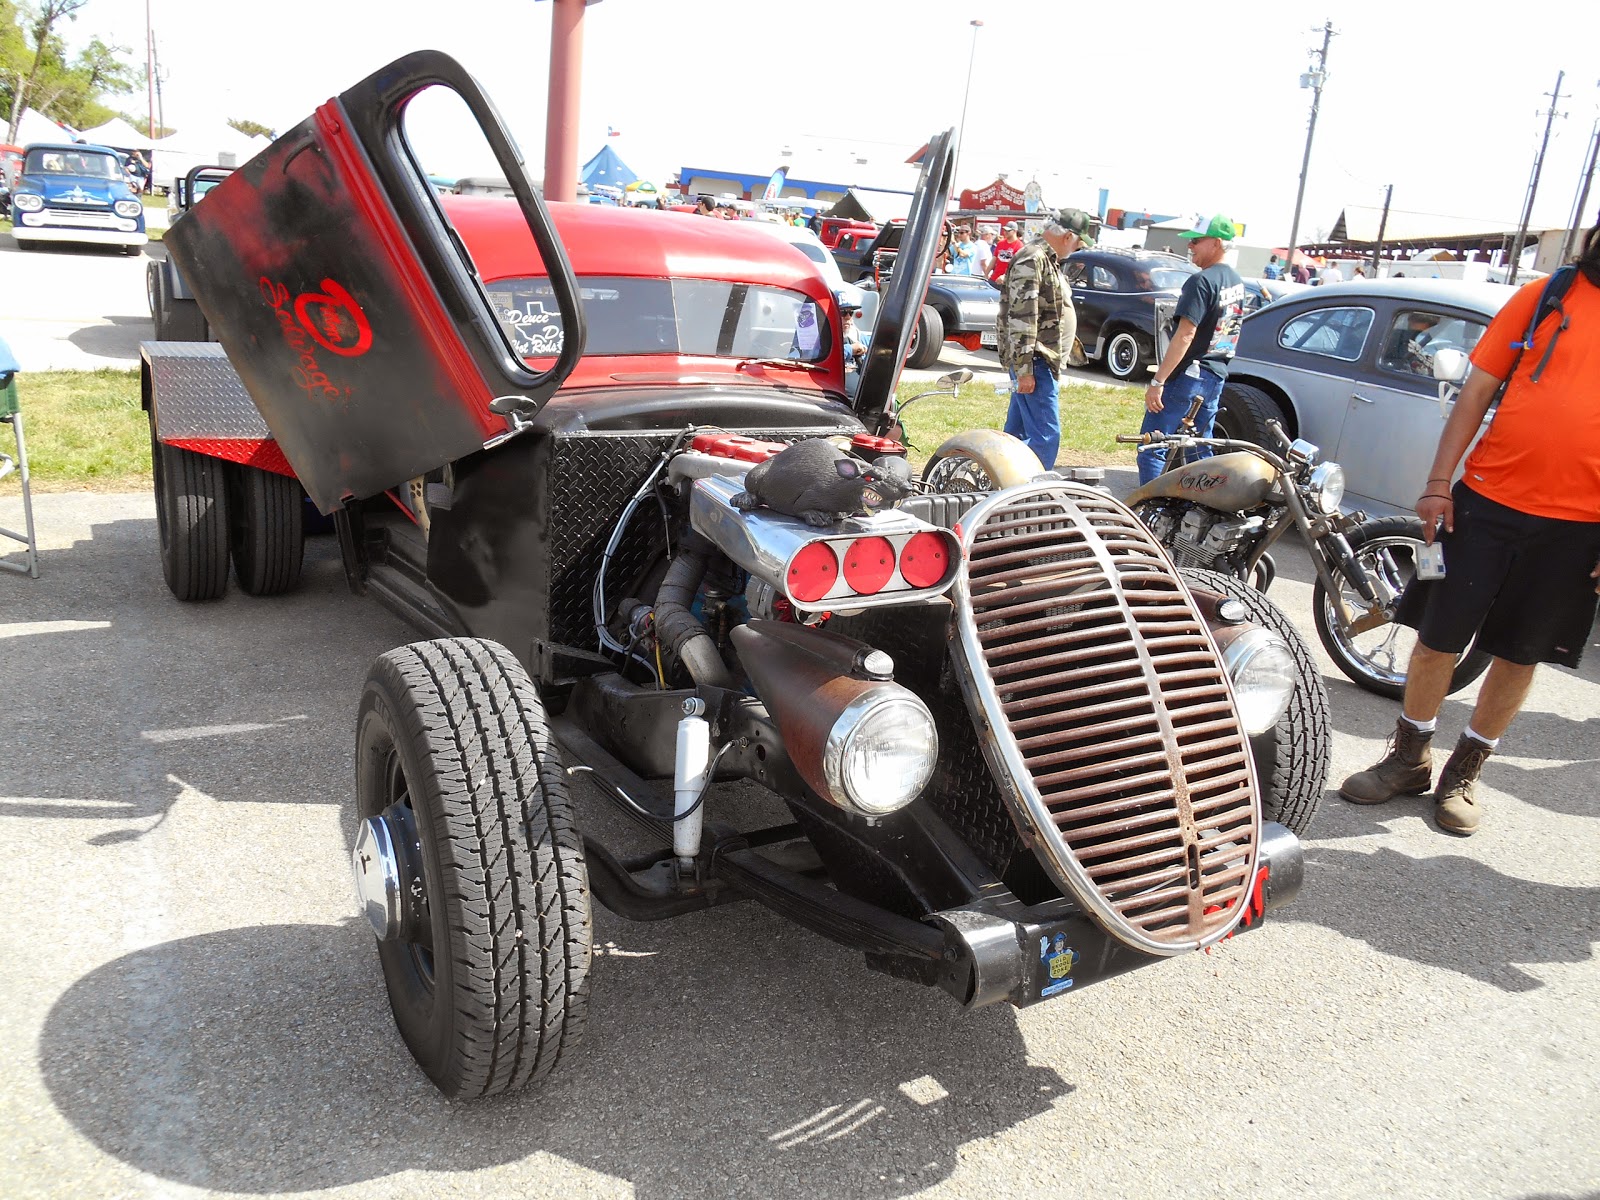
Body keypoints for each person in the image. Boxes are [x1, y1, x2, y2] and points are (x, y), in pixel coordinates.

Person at [1338, 221, 1600, 836]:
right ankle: (1408, 759)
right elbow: (1476, 391)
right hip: (1485, 503)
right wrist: (1437, 484)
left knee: (1519, 653)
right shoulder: (1547, 296)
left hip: (1578, 530)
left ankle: (1465, 771)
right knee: (1437, 638)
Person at [1135, 214, 1247, 485]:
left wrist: (1158, 380)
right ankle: (1195, 514)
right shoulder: (1236, 281)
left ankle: (1152, 514)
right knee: (1198, 449)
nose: (1191, 246)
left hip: (1189, 376)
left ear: (1217, 243)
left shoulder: (1201, 282)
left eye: (1197, 241)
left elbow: (1185, 334)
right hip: (1215, 375)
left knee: (1152, 448)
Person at [996, 207, 1094, 469]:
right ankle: (1030, 495)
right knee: (1046, 437)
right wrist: (1025, 368)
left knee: (1014, 436)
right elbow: (1022, 317)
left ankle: (1003, 488)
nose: (1078, 247)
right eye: (1079, 241)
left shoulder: (1044, 258)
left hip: (1037, 361)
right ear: (1068, 236)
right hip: (1035, 361)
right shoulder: (1033, 258)